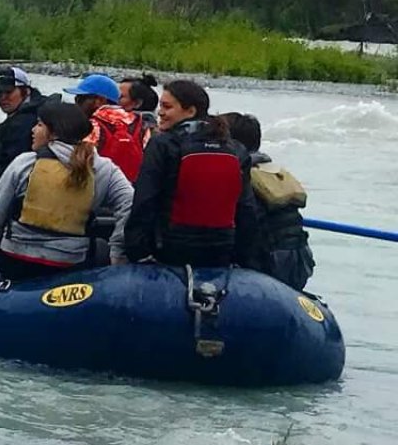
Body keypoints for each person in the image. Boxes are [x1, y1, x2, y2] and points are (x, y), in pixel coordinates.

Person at [0, 98, 134, 276]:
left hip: (15, 260)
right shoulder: (104, 169)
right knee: (101, 248)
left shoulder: (25, 163)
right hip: (70, 263)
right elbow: (130, 204)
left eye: (40, 125)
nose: (33, 130)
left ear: (54, 133)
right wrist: (117, 251)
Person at [121, 78, 260, 270]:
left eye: (167, 107)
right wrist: (245, 259)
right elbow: (246, 209)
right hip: (221, 251)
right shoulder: (235, 149)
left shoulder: (163, 145)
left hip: (170, 252)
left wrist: (137, 252)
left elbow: (145, 201)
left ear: (190, 111)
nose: (160, 112)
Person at [219, 112, 317, 291]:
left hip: (269, 265)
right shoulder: (270, 172)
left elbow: (245, 228)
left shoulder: (241, 176)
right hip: (300, 261)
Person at [73, 72, 148, 182]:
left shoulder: (92, 126)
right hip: (129, 190)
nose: (76, 104)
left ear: (100, 101)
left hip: (100, 188)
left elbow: (79, 164)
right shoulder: (141, 125)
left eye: (80, 99)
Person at [0, 66, 45, 170]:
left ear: (26, 91)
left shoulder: (16, 127)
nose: (2, 98)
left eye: (8, 92)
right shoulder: (45, 109)